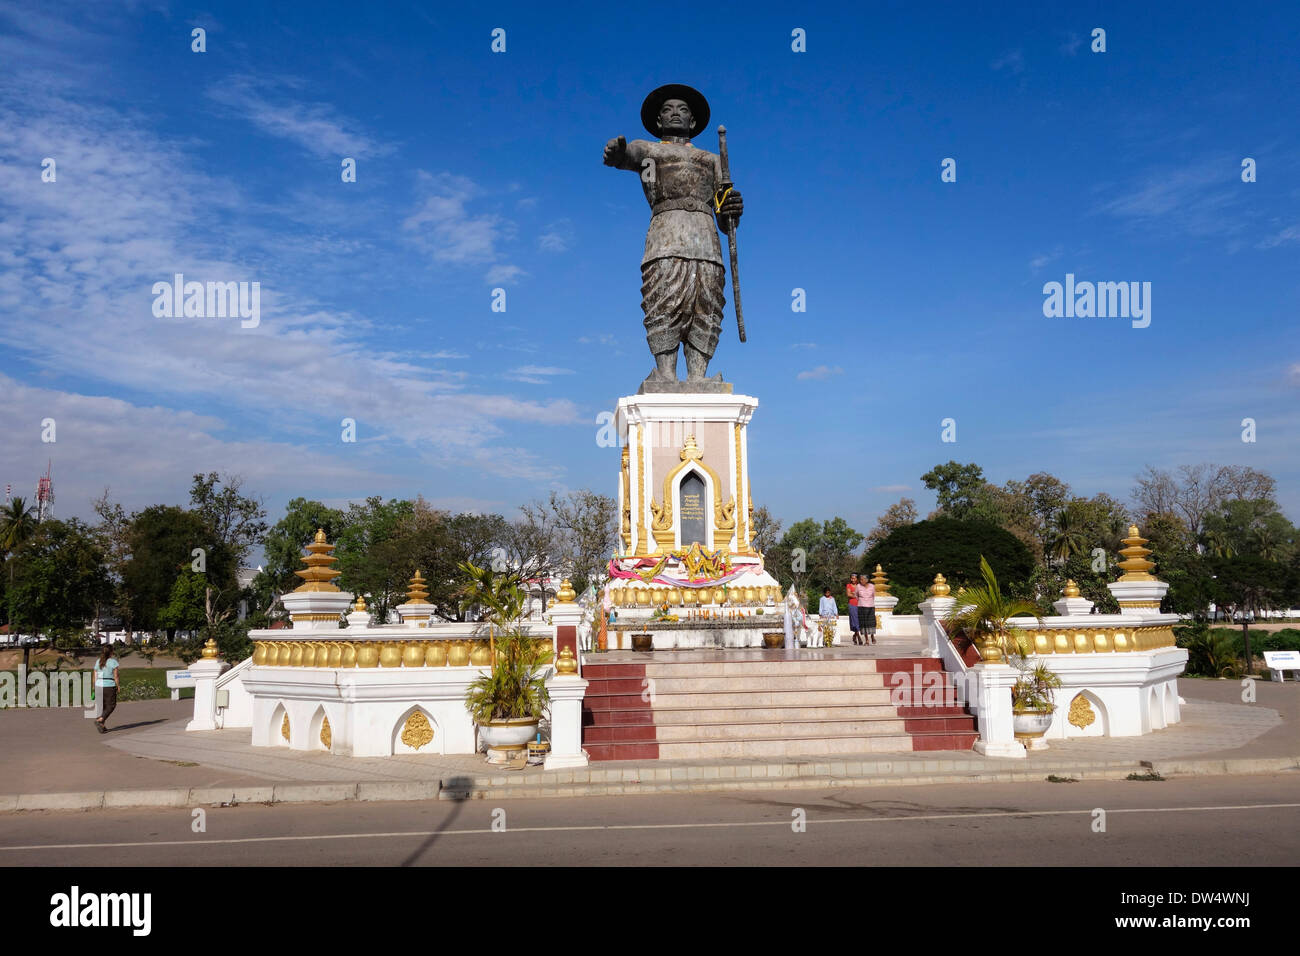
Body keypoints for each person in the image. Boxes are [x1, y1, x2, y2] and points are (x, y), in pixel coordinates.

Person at [603, 84, 744, 389]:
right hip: (666, 233)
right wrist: (620, 154)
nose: (676, 114)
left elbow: (723, 214)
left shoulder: (712, 160)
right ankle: (665, 373)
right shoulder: (651, 152)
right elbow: (631, 155)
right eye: (668, 109)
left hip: (706, 238)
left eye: (683, 110)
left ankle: (697, 375)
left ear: (693, 121)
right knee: (664, 297)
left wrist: (732, 209)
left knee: (705, 300)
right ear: (658, 121)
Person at [93, 645, 120, 733]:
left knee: (102, 706)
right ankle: (100, 720)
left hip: (98, 685)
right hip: (109, 686)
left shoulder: (98, 661)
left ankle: (102, 725)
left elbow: (95, 675)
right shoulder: (113, 662)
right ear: (111, 652)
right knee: (111, 705)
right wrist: (118, 685)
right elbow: (116, 676)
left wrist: (93, 686)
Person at [856, 576, 877, 645]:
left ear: (866, 580)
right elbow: (856, 596)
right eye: (860, 580)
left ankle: (872, 636)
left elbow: (873, 595)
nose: (861, 581)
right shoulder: (858, 586)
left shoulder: (872, 586)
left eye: (862, 579)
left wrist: (869, 602)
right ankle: (867, 640)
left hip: (870, 606)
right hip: (861, 607)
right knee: (864, 624)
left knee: (871, 623)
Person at [846, 573, 860, 644]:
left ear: (857, 579)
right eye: (852, 578)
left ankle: (855, 635)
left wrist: (854, 594)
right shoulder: (849, 585)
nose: (853, 579)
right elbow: (848, 594)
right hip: (852, 605)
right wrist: (856, 595)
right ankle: (859, 637)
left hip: (860, 605)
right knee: (854, 622)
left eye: (854, 578)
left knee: (859, 621)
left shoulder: (859, 586)